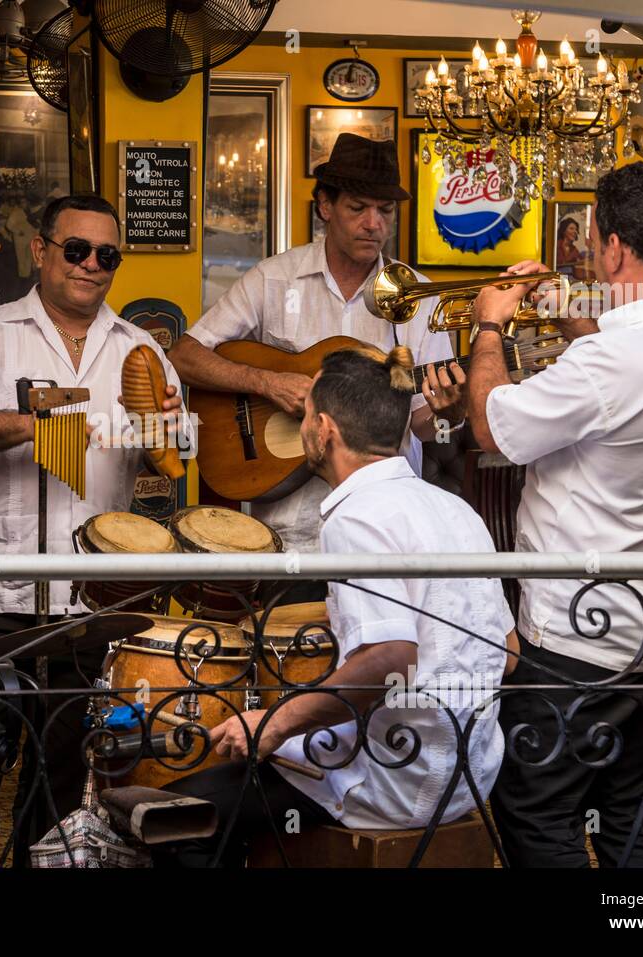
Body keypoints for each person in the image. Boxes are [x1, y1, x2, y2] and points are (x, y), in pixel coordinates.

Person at [464, 162, 643, 867]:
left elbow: (490, 425)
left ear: (619, 248)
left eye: (598, 244)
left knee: (539, 810)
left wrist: (487, 326)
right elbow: (638, 382)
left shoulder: (612, 361)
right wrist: (580, 325)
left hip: (585, 638)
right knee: (637, 809)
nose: (597, 255)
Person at [161, 346, 514, 866]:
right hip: (470, 775)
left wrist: (274, 722)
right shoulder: (454, 509)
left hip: (392, 779)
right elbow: (507, 652)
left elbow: (392, 657)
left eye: (304, 415)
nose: (303, 426)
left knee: (175, 814)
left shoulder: (357, 517)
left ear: (324, 428)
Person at [0, 192, 189, 867]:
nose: (91, 264)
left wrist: (166, 433)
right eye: (76, 249)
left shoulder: (139, 351)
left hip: (90, 604)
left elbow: (172, 457)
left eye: (107, 254)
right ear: (40, 250)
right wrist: (41, 424)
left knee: (63, 789)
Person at [168, 134, 465, 593]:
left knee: (384, 657)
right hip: (289, 540)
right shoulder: (273, 279)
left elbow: (424, 425)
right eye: (358, 208)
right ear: (325, 206)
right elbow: (185, 357)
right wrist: (268, 383)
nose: (374, 224)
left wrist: (447, 411)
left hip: (385, 539)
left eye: (385, 211)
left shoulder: (419, 298)